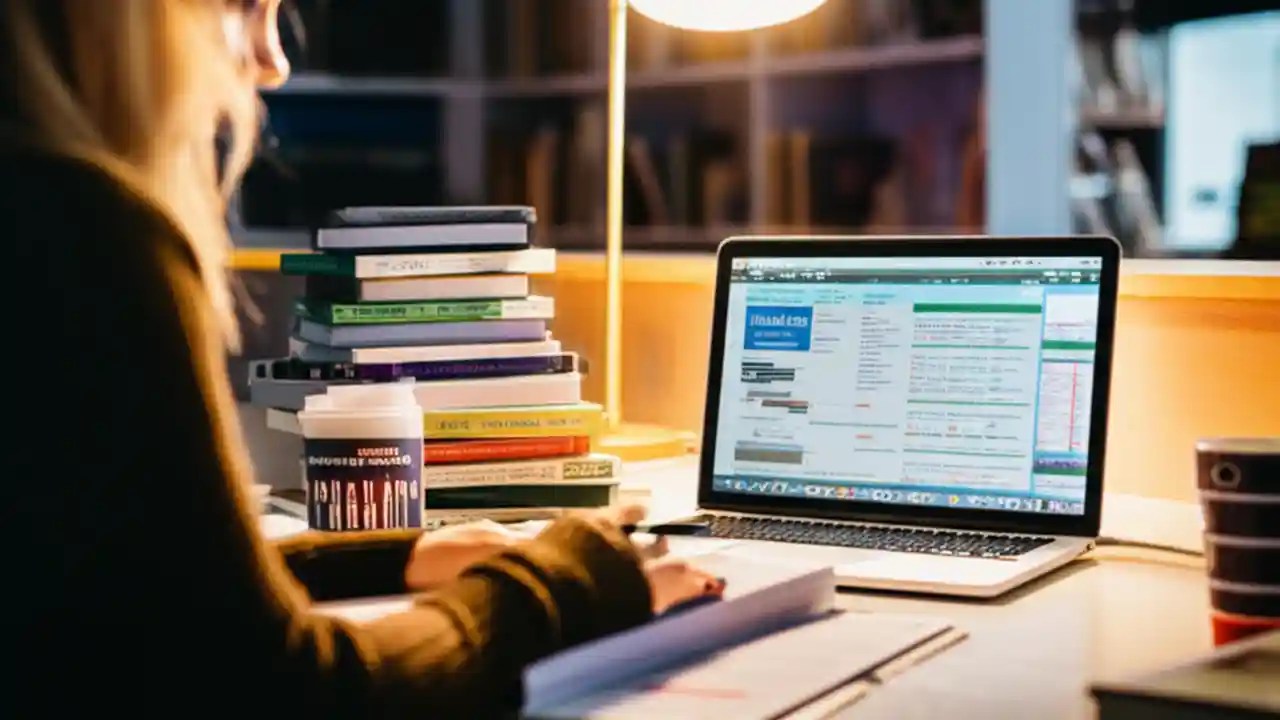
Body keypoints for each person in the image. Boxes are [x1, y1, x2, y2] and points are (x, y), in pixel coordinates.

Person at [1, 1, 722, 717]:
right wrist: (567, 576)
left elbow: (113, 589)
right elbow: (298, 693)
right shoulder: (79, 232)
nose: (273, 61)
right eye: (246, 6)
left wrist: (388, 557)